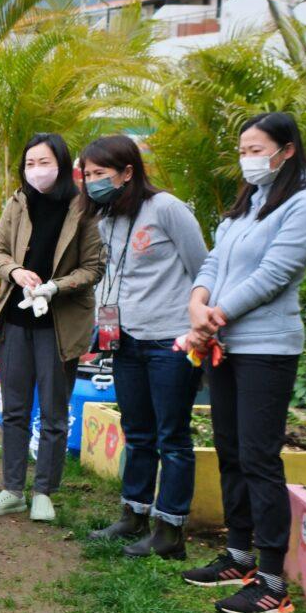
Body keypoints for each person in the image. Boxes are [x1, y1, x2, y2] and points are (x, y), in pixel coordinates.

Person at [180, 112, 306, 613]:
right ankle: (237, 554)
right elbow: (214, 262)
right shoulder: (249, 205)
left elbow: (276, 273)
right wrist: (198, 305)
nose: (248, 158)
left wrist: (211, 318)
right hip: (225, 343)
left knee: (260, 457)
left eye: (256, 148)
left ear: (286, 150)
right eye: (243, 149)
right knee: (230, 448)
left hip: (267, 347)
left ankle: (270, 580)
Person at [80, 135, 208, 559]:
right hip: (127, 340)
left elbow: (203, 265)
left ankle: (170, 530)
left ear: (128, 172)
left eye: (101, 174)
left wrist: (199, 325)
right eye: (89, 174)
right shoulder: (108, 219)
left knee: (171, 435)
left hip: (170, 340)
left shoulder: (167, 209)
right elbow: (114, 279)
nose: (93, 181)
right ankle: (133, 513)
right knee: (136, 431)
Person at [0, 133, 105, 524]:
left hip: (59, 323)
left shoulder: (83, 209)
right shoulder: (17, 202)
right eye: (30, 163)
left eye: (44, 162)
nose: (37, 170)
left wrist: (56, 286)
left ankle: (45, 491)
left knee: (52, 411)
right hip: (16, 320)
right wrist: (15, 271)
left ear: (63, 165)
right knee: (14, 409)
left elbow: (94, 266)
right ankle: (13, 489)